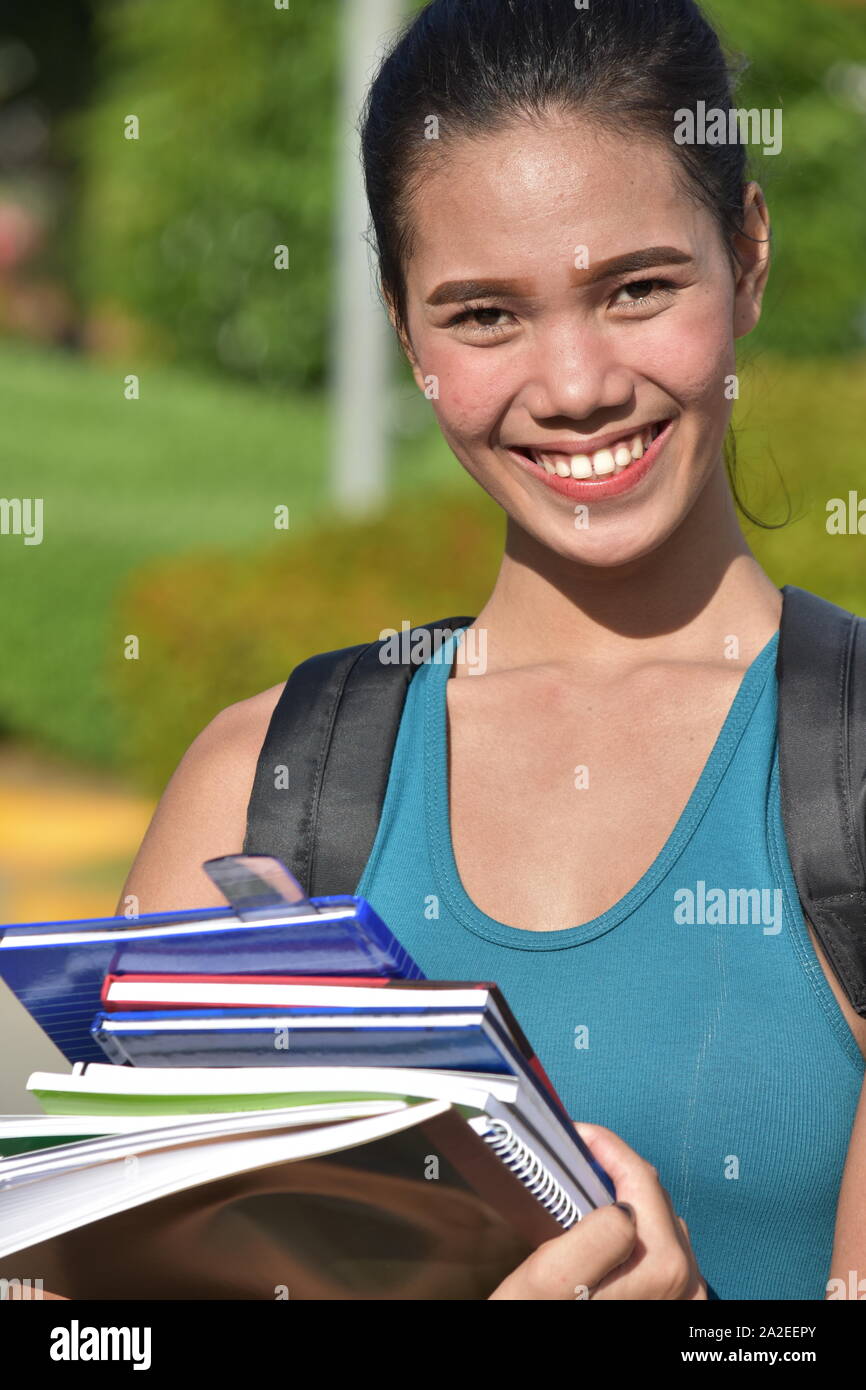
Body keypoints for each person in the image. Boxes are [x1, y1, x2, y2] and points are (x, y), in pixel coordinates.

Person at [118, 0, 866, 1299]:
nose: (573, 383)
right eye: (481, 315)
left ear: (745, 256)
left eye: (634, 288)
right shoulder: (260, 784)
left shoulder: (843, 771)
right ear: (404, 329)